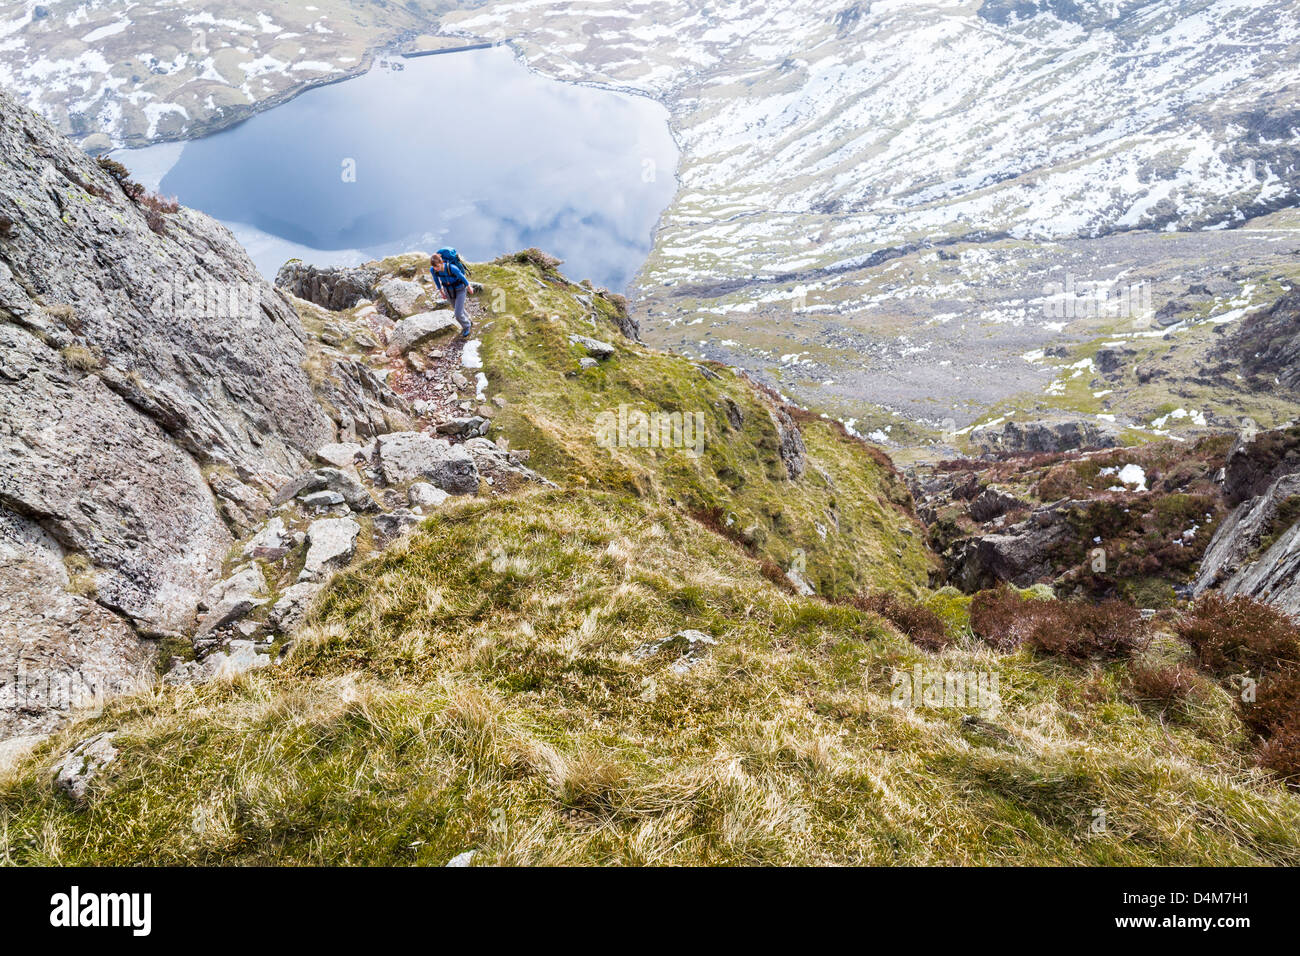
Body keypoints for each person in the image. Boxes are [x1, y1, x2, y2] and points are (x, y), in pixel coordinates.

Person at [429, 251, 474, 337]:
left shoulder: (452, 268)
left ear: (441, 262)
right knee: (457, 308)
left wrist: (469, 287)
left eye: (437, 266)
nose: (436, 269)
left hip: (460, 289)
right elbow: (436, 280)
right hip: (448, 291)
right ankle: (468, 319)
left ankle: (467, 326)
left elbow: (462, 277)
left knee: (457, 314)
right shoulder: (433, 270)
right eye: (434, 267)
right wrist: (441, 292)